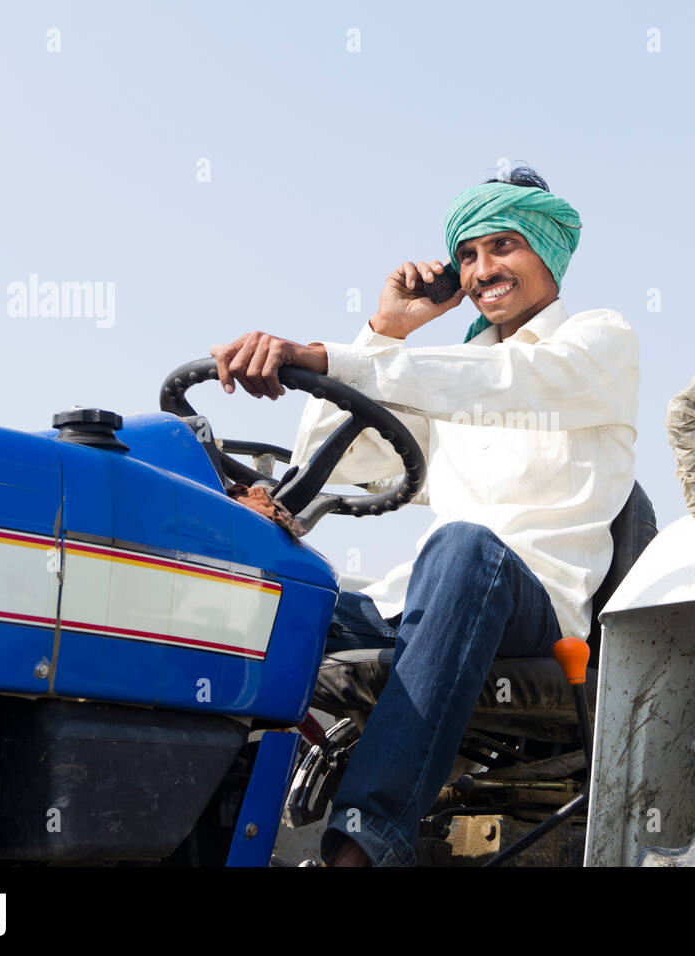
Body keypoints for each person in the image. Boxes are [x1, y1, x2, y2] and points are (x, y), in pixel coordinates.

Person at [209, 166, 638, 866]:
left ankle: (366, 845)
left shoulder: (596, 343)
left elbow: (505, 384)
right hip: (421, 605)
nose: (482, 269)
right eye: (467, 255)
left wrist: (321, 356)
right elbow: (335, 463)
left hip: (536, 612)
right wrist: (383, 331)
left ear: (548, 253)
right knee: (265, 599)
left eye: (504, 246)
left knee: (464, 546)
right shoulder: (455, 365)